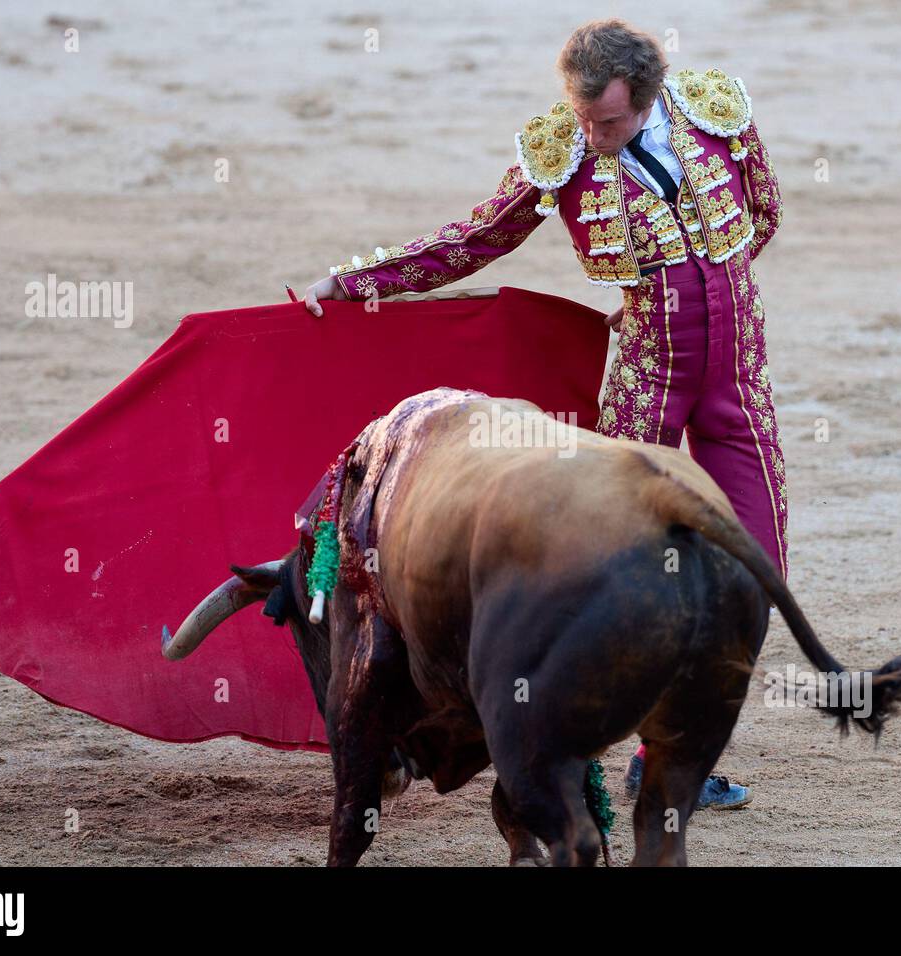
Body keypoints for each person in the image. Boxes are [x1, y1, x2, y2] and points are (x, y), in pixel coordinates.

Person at [299, 19, 785, 811]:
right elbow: (477, 238)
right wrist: (354, 282)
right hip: (647, 380)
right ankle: (650, 759)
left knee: (755, 573)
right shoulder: (562, 152)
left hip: (739, 380)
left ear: (649, 99)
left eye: (612, 123)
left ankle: (677, 747)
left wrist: (711, 298)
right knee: (629, 577)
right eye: (586, 120)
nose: (595, 138)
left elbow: (761, 217)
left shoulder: (716, 111)